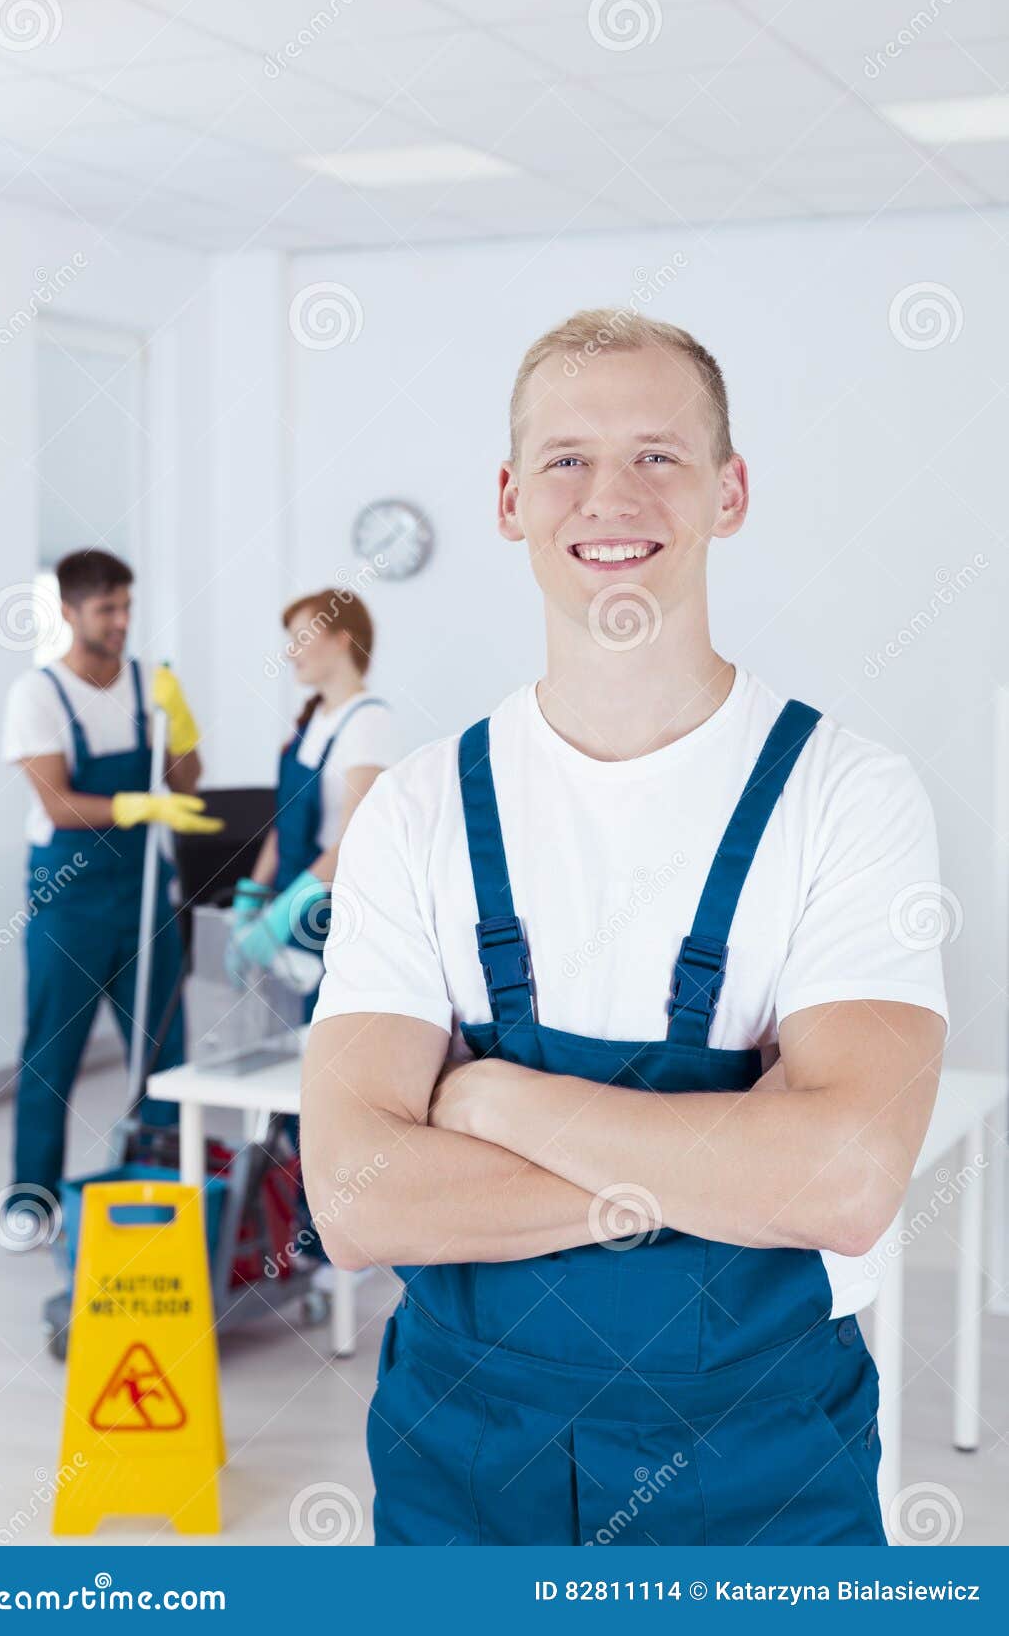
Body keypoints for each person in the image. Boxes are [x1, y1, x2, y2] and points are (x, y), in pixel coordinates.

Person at [301, 309, 949, 1547]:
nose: (611, 495)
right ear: (506, 497)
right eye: (565, 458)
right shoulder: (422, 809)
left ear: (729, 490)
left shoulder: (844, 793)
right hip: (463, 1460)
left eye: (658, 453)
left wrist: (486, 1098)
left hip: (761, 1468)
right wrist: (723, 1164)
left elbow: (845, 1180)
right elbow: (358, 1198)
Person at [2, 549, 220, 1225]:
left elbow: (186, 783)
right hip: (69, 897)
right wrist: (135, 806)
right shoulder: (39, 694)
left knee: (164, 1048)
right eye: (107, 610)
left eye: (127, 606)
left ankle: (158, 1190)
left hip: (144, 888)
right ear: (68, 612)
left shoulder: (146, 680)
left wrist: (178, 726)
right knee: (51, 1051)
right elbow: (58, 801)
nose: (122, 621)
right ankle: (32, 1201)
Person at [227, 588, 399, 1022]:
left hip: (328, 908)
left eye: (302, 637)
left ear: (341, 639)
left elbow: (353, 841)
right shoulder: (314, 721)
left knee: (319, 1032)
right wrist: (252, 896)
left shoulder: (367, 721)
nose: (290, 652)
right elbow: (285, 822)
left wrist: (286, 912)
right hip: (290, 893)